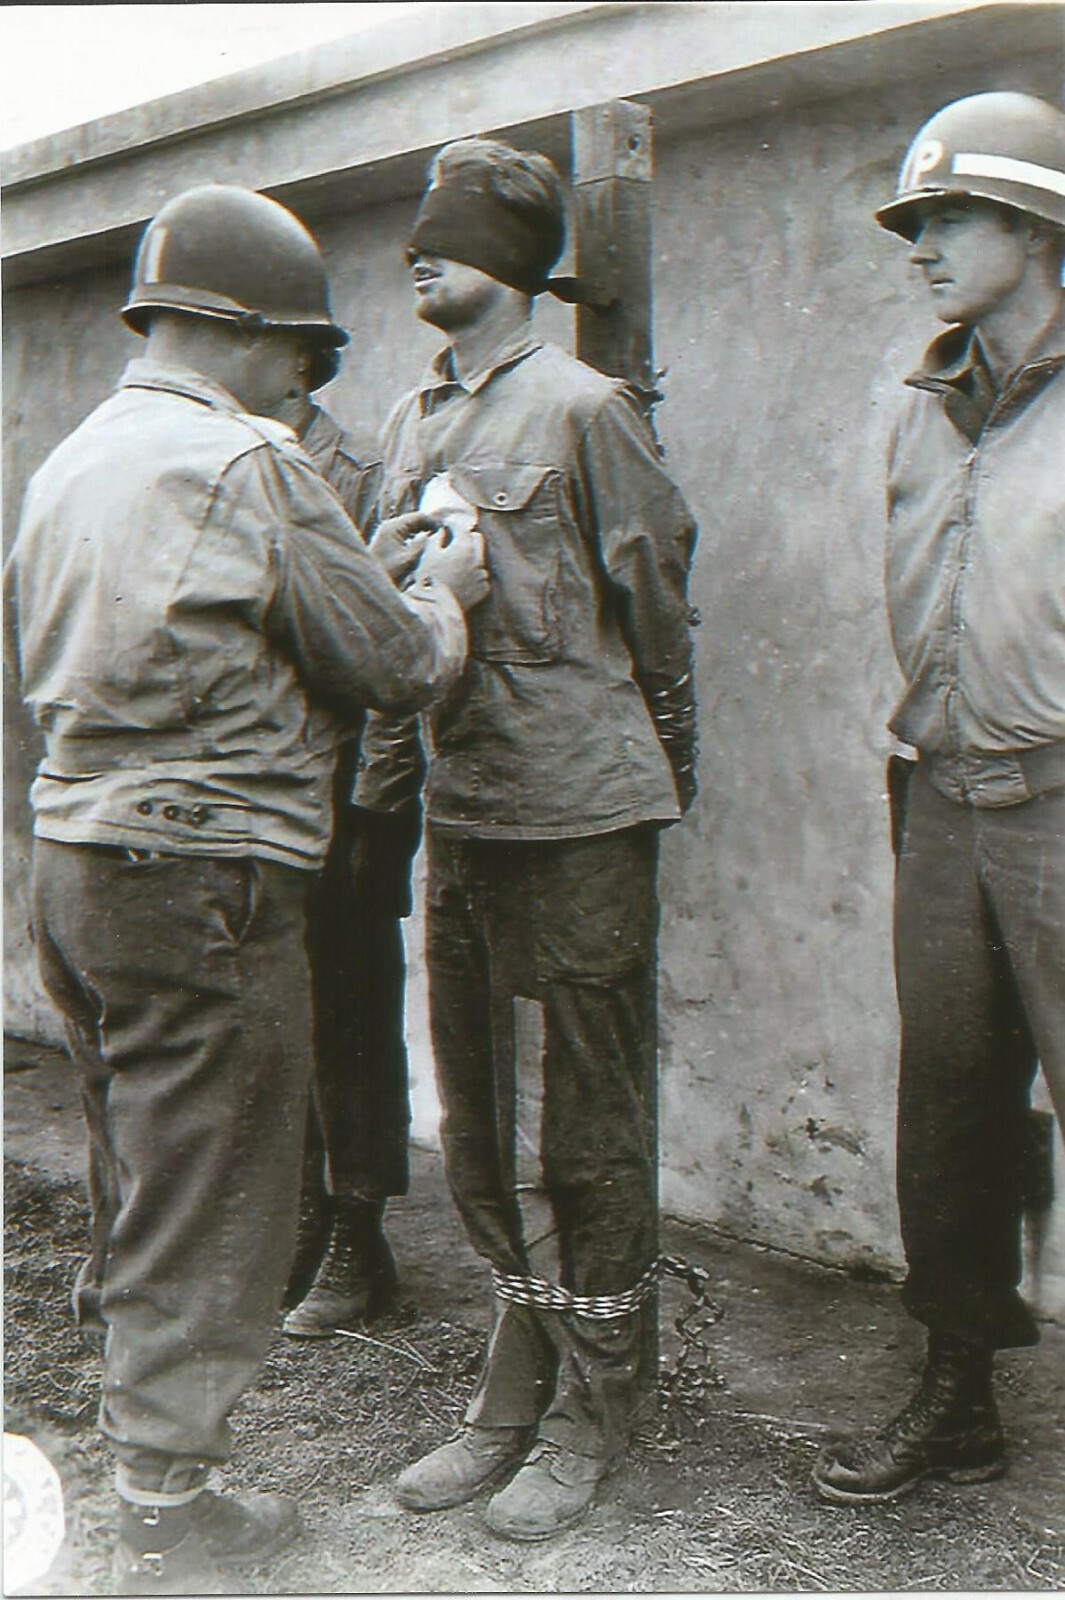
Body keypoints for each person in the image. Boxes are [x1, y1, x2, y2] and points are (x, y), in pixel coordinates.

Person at [4, 183, 487, 1593]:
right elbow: (397, 664)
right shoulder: (251, 463)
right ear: (241, 331)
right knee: (217, 1184)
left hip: (78, 862)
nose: (304, 383)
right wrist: (444, 588)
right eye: (300, 352)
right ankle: (167, 1502)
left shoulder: (75, 461)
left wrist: (353, 580)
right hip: (203, 876)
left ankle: (141, 1435)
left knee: (143, 1160)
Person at [354, 137, 699, 1541]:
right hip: (469, 811)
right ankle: (514, 1386)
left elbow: (657, 598)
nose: (416, 255)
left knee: (590, 1127)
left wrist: (655, 763)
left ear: (512, 263)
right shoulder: (410, 418)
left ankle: (594, 1408)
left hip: (581, 817)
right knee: (483, 1121)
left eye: (444, 238)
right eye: (416, 238)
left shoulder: (583, 409)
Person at [813, 91, 1065, 1506]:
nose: (920, 248)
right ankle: (958, 1394)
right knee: (951, 1114)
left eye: (950, 219)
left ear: (1034, 228)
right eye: (914, 223)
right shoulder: (920, 404)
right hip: (945, 803)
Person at [272, 358, 420, 1336]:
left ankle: (357, 1234)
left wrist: (376, 811)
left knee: (352, 1010)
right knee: (274, 1006)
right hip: (261, 785)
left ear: (295, 361)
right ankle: (299, 1211)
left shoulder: (355, 474)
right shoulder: (233, 465)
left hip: (346, 790)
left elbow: (388, 644)